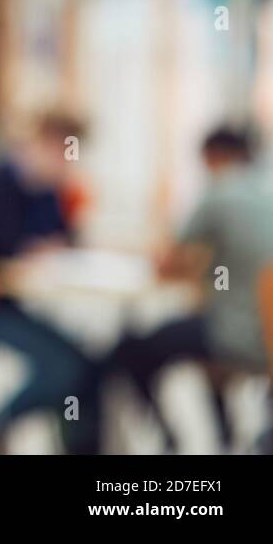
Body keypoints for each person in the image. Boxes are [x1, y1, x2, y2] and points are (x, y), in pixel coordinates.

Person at [107, 126, 273, 451]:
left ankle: (169, 439)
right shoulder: (265, 189)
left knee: (131, 351)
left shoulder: (220, 190)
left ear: (213, 157)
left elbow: (169, 263)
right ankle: (225, 436)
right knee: (201, 336)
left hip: (242, 334)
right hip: (267, 334)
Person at [0, 111, 102, 454]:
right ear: (42, 139)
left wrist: (68, 202)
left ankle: (79, 446)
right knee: (66, 368)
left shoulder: (49, 187)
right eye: (61, 148)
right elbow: (7, 254)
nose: (65, 158)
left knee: (92, 361)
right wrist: (42, 248)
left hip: (21, 303)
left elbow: (67, 241)